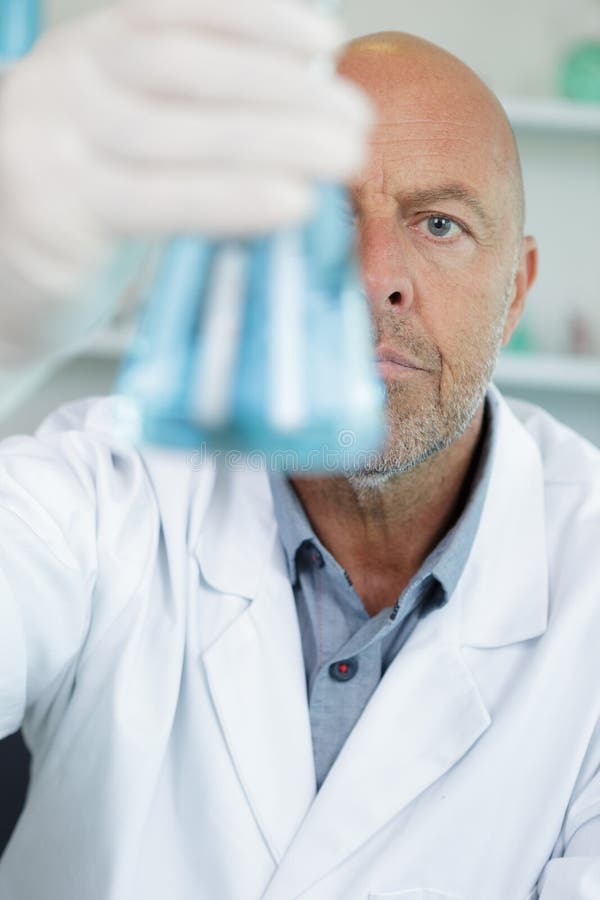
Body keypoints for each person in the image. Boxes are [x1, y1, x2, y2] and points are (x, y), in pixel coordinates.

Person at [0, 3, 599, 899]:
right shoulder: (108, 488)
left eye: (439, 224)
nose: (374, 277)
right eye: (323, 217)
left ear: (515, 292)